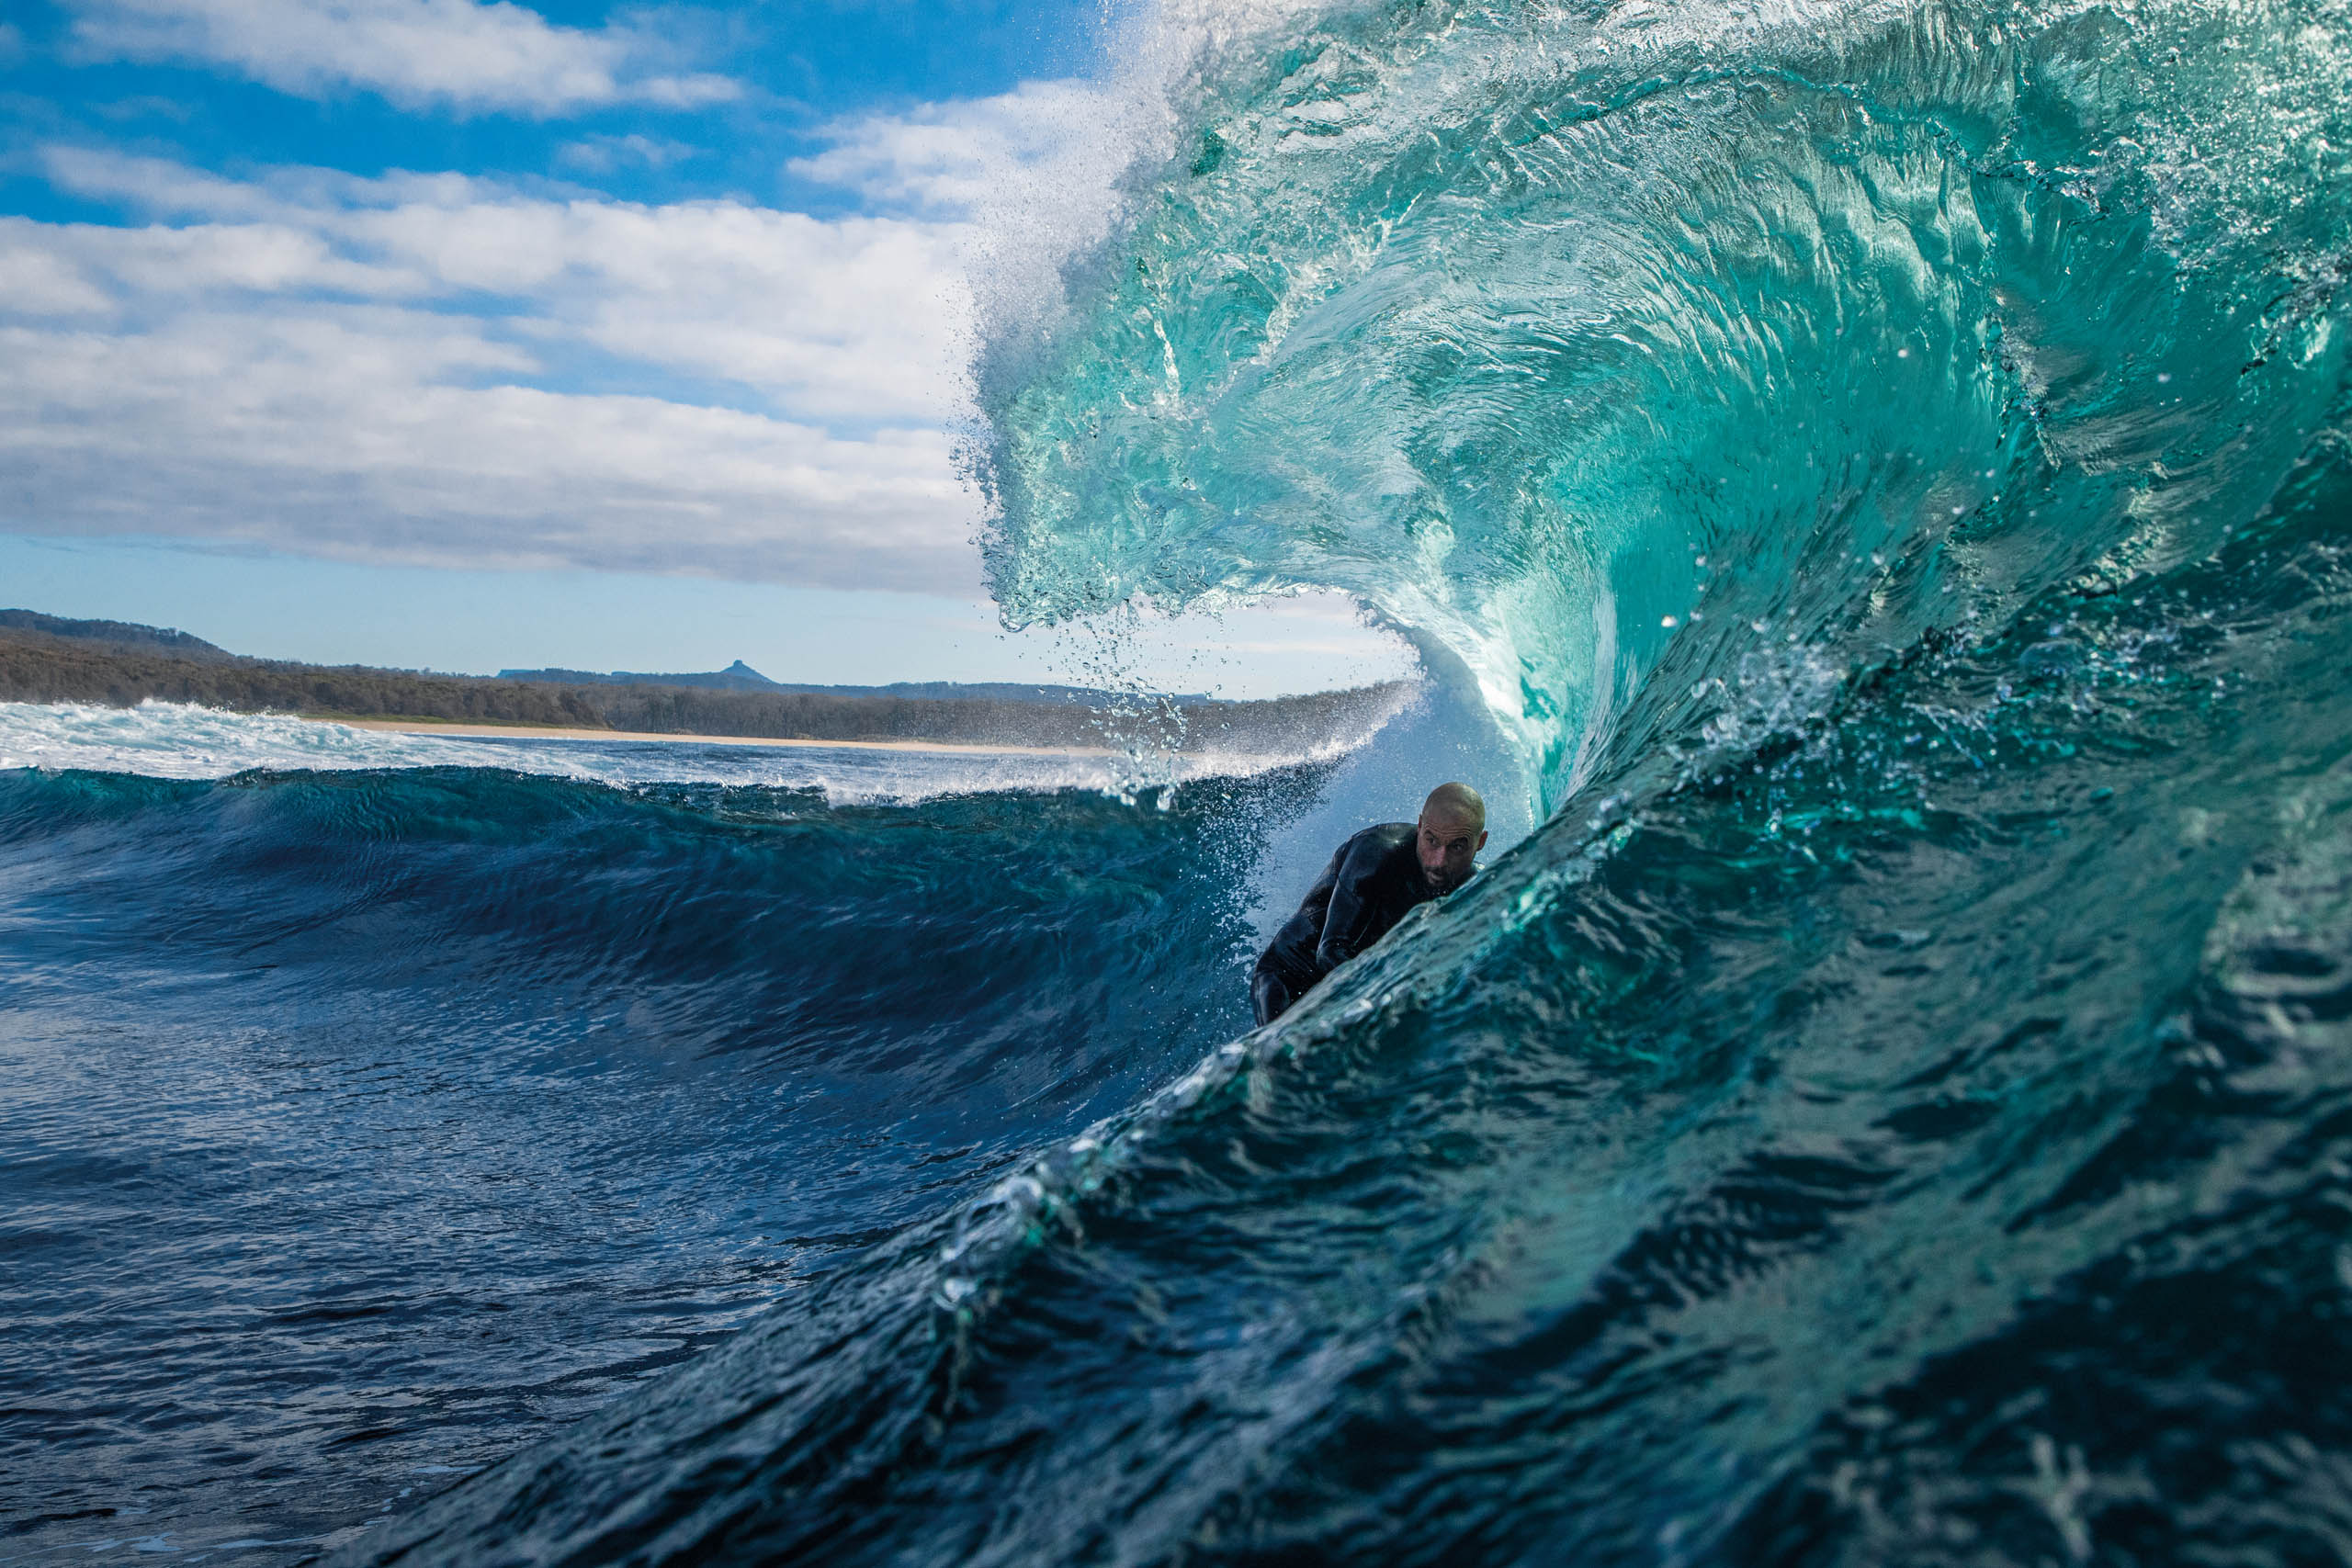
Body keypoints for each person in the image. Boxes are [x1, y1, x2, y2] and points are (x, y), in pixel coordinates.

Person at [1251, 782, 1488, 1027]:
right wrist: (1392, 995)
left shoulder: (1475, 884)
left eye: (1457, 847)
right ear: (1419, 826)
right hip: (1291, 977)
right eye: (1431, 841)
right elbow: (1331, 950)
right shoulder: (1376, 853)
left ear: (1480, 842)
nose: (1439, 861)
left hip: (1357, 988)